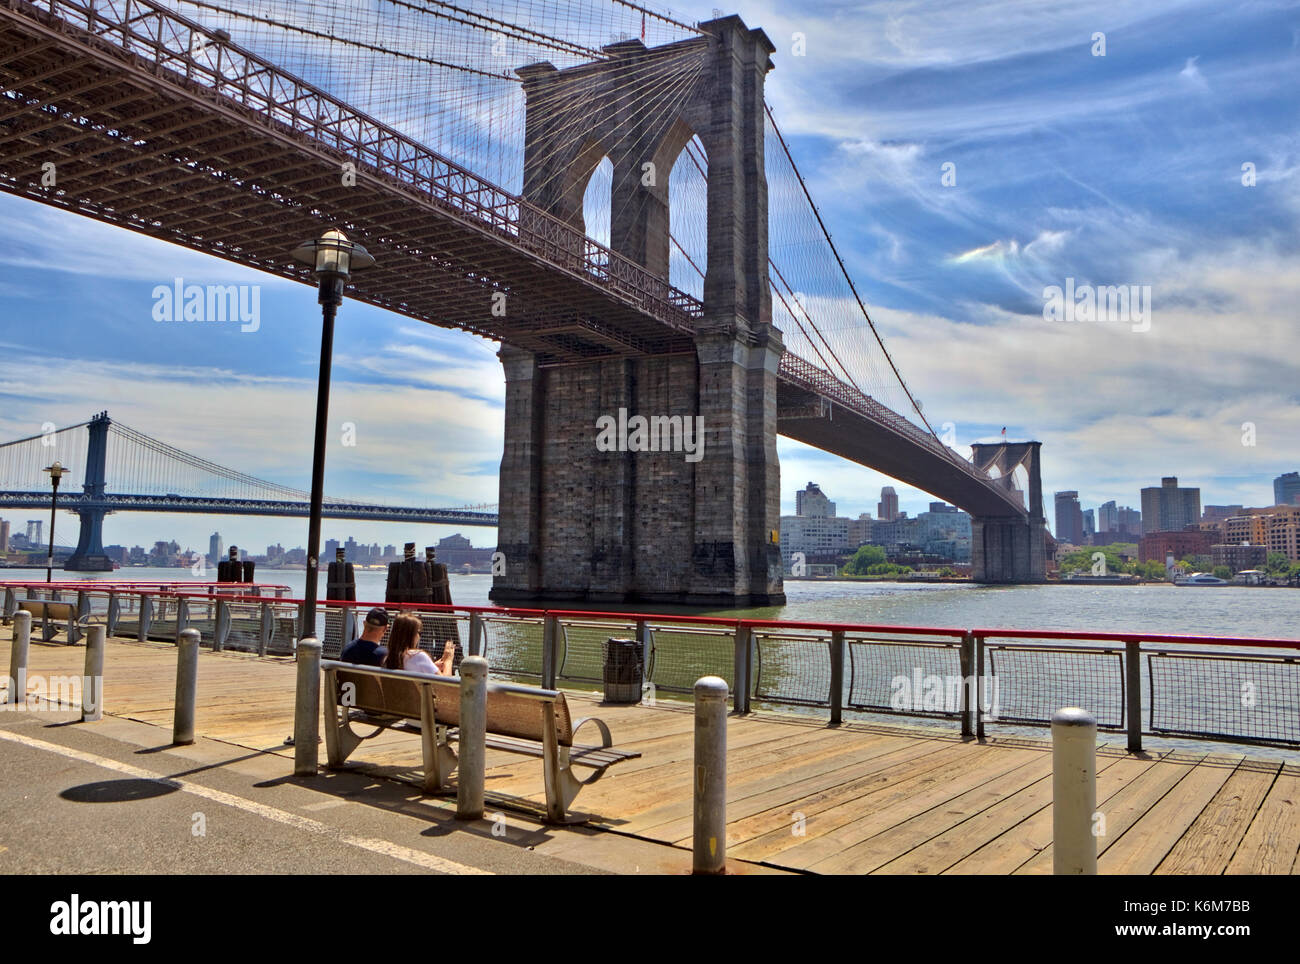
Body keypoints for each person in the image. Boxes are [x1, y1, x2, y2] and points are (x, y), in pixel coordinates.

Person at [382, 613, 455, 676]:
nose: (419, 636)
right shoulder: (419, 656)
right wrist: (448, 660)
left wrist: (432, 666)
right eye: (419, 633)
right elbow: (446, 684)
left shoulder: (387, 659)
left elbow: (412, 667)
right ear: (411, 635)